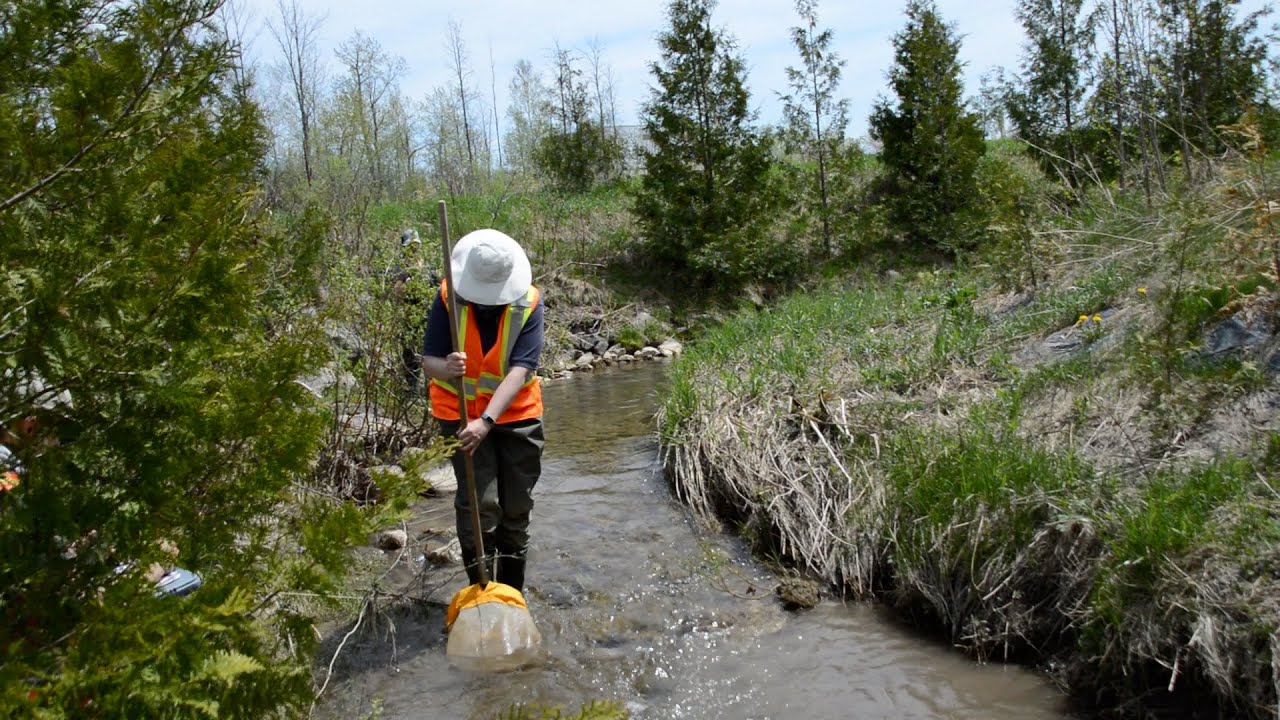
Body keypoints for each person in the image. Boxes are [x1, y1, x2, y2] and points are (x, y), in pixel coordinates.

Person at [421, 229, 544, 593]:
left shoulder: (530, 303)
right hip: (458, 416)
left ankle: (511, 594)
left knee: (517, 509)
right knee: (480, 506)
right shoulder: (448, 299)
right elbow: (429, 360)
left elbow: (522, 369)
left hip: (516, 416)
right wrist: (447, 368)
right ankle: (481, 590)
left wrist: (486, 420)